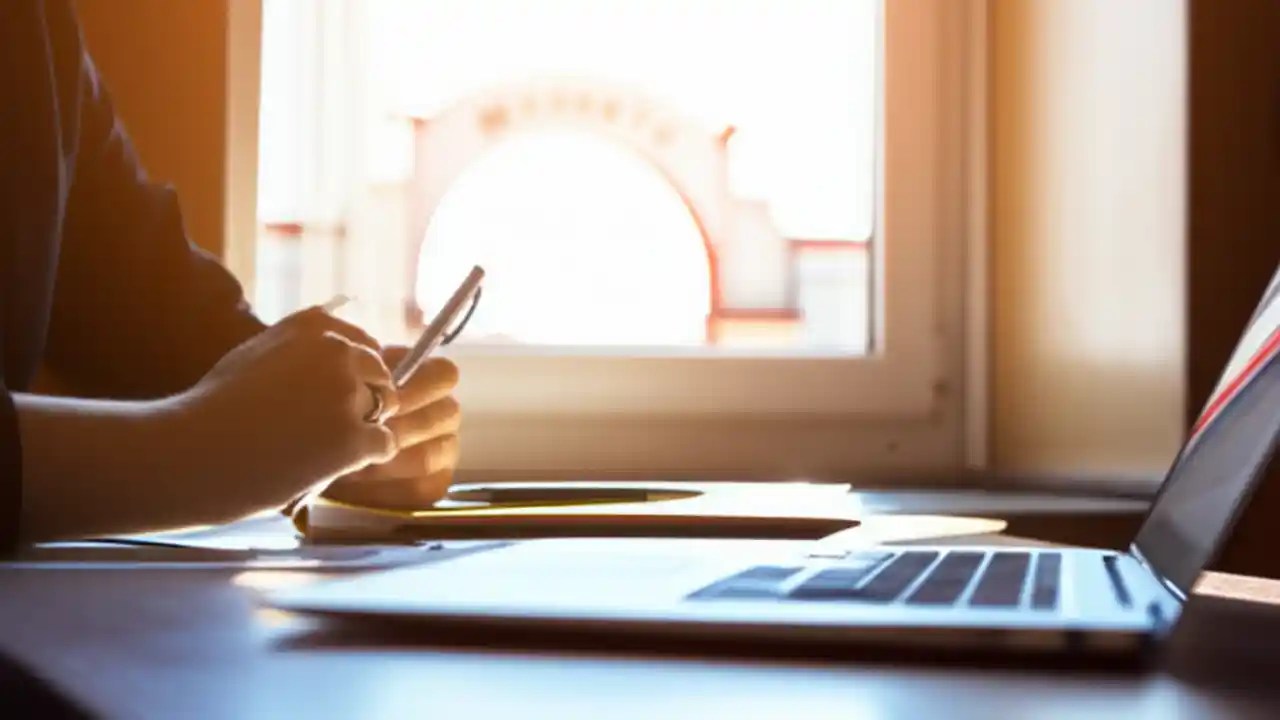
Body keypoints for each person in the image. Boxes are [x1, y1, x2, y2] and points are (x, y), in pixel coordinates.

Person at [0, 1, 462, 550]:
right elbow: (212, 429)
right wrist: (195, 451)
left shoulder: (35, 27)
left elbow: (149, 308)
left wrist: (340, 417)